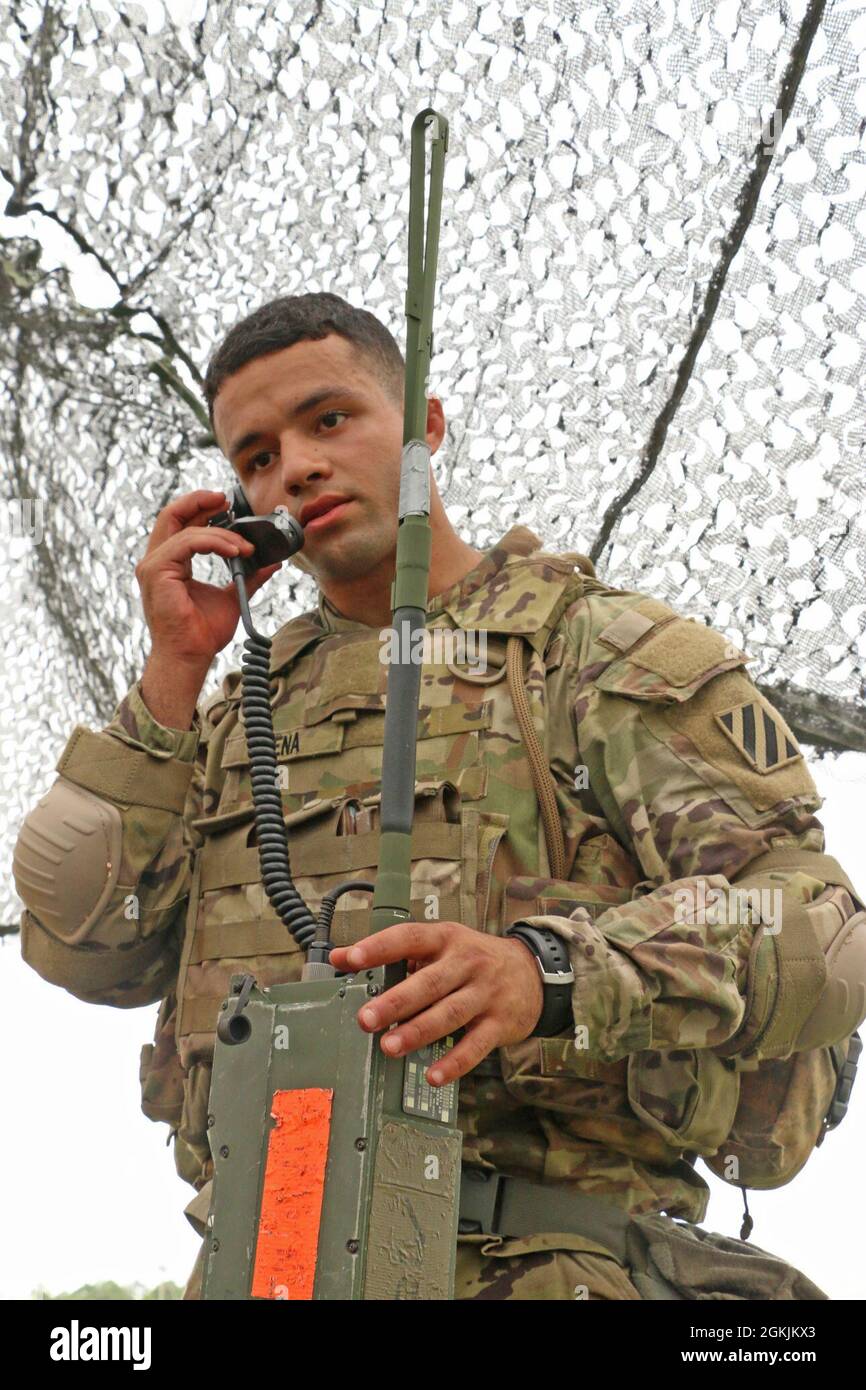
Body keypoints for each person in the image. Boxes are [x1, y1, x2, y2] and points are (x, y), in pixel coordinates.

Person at [14, 292, 865, 1301]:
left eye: (330, 419)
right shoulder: (235, 714)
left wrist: (547, 972)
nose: (295, 467)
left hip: (537, 1262)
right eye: (255, 456)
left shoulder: (590, 654)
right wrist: (172, 669)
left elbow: (817, 925)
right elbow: (82, 948)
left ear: (424, 425)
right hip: (266, 1264)